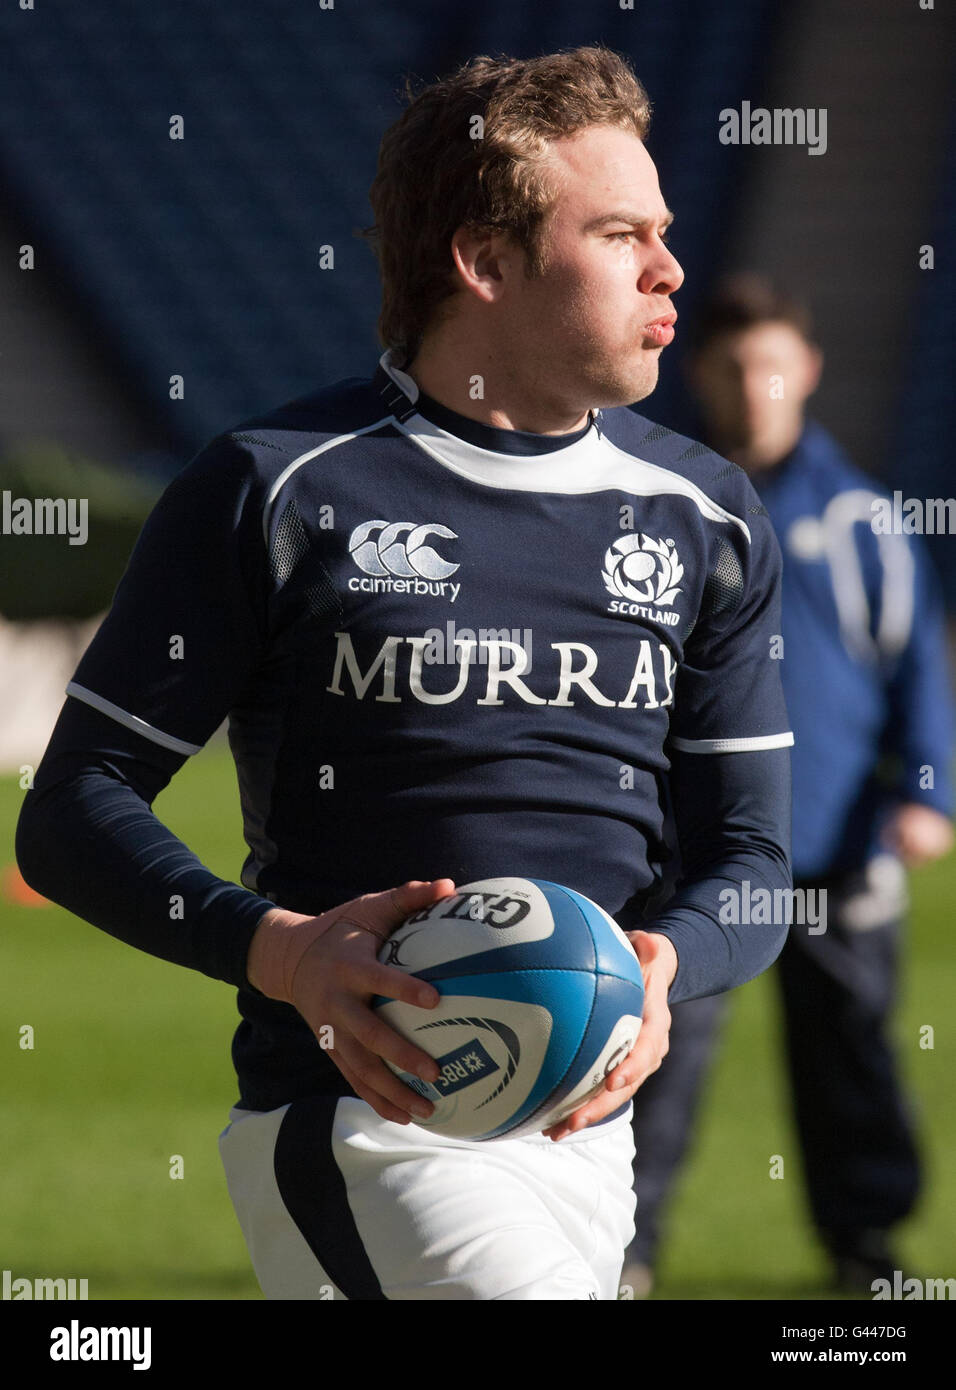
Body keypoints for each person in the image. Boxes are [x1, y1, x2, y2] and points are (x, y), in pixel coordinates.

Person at [15, 49, 793, 1301]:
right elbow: (71, 811)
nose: (669, 269)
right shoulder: (276, 486)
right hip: (368, 1126)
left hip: (589, 1144)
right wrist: (277, 951)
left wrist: (668, 965)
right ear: (482, 263)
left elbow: (754, 862)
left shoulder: (706, 514)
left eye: (662, 229)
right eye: (618, 234)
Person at [623, 274, 955, 1296]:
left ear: (803, 370)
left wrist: (928, 794)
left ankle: (862, 1250)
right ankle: (622, 1252)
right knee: (656, 1057)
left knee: (846, 1057)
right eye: (731, 368)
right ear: (701, 374)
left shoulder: (861, 518)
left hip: (835, 849)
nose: (753, 387)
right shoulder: (660, 504)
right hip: (698, 851)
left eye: (769, 364)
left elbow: (913, 667)